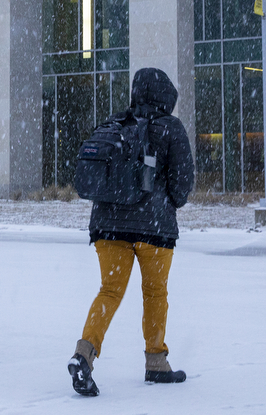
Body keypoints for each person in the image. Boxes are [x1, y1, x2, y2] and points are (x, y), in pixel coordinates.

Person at [68, 67, 196, 397]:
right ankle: (156, 361)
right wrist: (166, 201)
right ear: (167, 96)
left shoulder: (115, 123)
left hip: (108, 224)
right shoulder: (171, 128)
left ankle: (85, 353)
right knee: (155, 293)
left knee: (109, 290)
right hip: (154, 229)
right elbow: (183, 184)